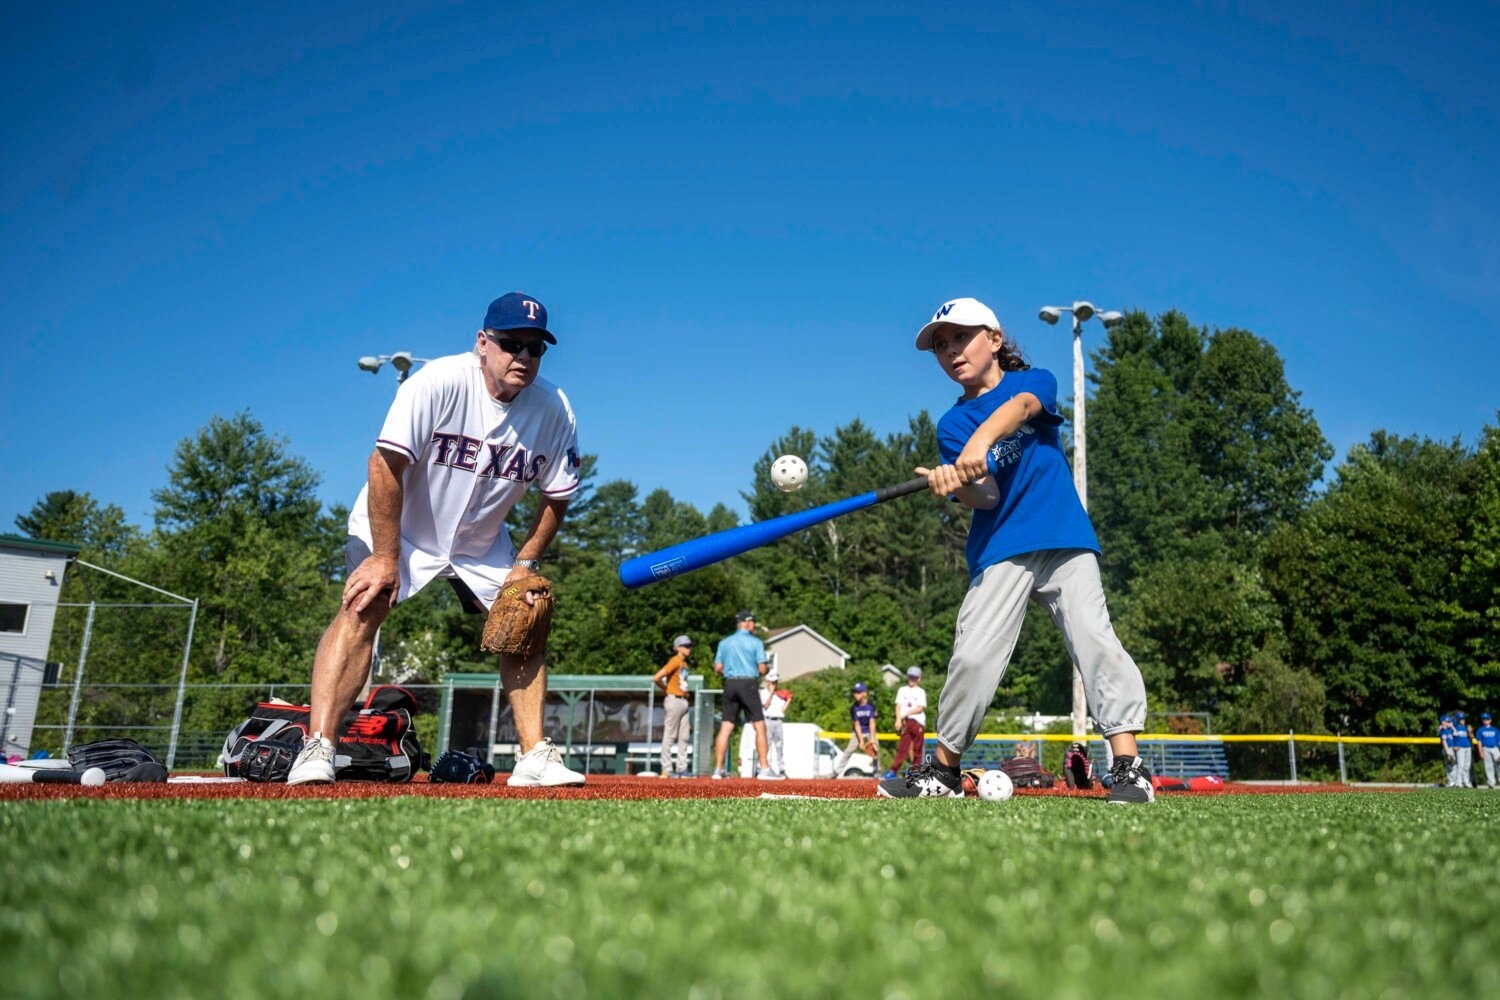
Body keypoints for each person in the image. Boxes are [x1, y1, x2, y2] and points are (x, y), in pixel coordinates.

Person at [288, 292, 585, 787]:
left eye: (536, 349)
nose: (524, 358)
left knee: (526, 614)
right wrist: (386, 556)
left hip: (480, 540)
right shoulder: (440, 382)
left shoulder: (553, 408)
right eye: (512, 343)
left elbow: (558, 494)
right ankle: (318, 746)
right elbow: (384, 467)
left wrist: (526, 564)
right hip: (398, 525)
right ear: (482, 343)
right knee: (366, 604)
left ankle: (535, 757)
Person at [879, 297, 1153, 803]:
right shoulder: (950, 426)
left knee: (1095, 639)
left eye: (961, 337)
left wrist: (980, 443)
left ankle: (1129, 766)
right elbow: (987, 496)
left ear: (996, 340)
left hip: (1064, 538)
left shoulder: (1036, 382)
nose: (950, 351)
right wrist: (956, 484)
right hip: (1001, 546)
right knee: (974, 655)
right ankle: (942, 773)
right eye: (940, 345)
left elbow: (1021, 409)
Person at [711, 611, 781, 780]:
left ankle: (718, 770)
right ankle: (764, 768)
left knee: (726, 727)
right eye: (753, 623)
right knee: (759, 727)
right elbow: (763, 669)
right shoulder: (755, 642)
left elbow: (717, 668)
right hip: (748, 684)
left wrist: (730, 671)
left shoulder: (724, 642)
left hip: (730, 683)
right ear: (748, 623)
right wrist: (760, 670)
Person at [653, 635, 695, 777]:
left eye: (689, 645)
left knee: (684, 736)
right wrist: (666, 689)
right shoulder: (675, 661)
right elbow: (657, 677)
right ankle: (667, 769)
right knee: (670, 735)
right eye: (686, 645)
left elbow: (680, 682)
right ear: (678, 647)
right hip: (674, 700)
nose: (689, 648)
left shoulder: (684, 664)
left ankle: (682, 768)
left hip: (683, 700)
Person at [888, 666, 928, 779]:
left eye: (914, 677)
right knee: (902, 747)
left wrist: (904, 715)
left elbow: (920, 708)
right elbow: (898, 705)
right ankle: (893, 771)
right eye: (910, 677)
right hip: (905, 722)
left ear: (919, 679)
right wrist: (898, 719)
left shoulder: (921, 692)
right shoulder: (902, 690)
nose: (912, 679)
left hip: (917, 721)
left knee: (917, 748)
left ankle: (916, 771)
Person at [834, 683, 881, 777]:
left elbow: (872, 722)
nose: (856, 694)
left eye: (858, 692)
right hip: (858, 732)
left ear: (864, 693)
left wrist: (872, 740)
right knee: (848, 751)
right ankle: (836, 771)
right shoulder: (854, 708)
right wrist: (861, 741)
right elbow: (857, 724)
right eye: (855, 692)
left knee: (876, 749)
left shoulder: (871, 705)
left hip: (869, 731)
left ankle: (877, 771)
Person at [760, 670, 792, 777]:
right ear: (768, 682)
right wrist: (771, 693)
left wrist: (788, 701)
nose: (775, 684)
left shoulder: (780, 694)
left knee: (779, 745)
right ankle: (764, 767)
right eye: (773, 682)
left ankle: (781, 769)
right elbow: (765, 706)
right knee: (766, 745)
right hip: (768, 720)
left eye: (776, 682)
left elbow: (782, 709)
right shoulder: (763, 692)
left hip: (778, 720)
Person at [1451, 711, 1475, 788]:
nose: (1463, 721)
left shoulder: (1466, 728)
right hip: (1460, 748)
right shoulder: (1455, 728)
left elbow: (1472, 737)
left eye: (1463, 719)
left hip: (1468, 747)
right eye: (1461, 719)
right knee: (1461, 765)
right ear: (1458, 720)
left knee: (1467, 765)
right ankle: (1458, 782)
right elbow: (1451, 738)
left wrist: (1470, 732)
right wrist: (1454, 746)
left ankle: (1466, 782)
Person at [1476, 712, 1499, 789]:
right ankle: (1491, 783)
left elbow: (1499, 741)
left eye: (1487, 719)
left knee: (1498, 765)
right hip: (1485, 748)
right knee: (1489, 766)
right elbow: (1479, 742)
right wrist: (1480, 752)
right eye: (1484, 719)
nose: (1486, 721)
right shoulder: (1480, 730)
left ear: (1490, 720)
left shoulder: (1495, 729)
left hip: (1495, 748)